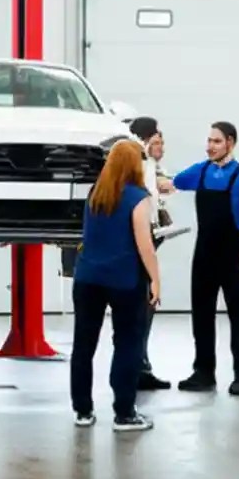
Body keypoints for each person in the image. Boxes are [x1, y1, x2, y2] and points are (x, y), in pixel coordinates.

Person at [161, 121, 239, 396]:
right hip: (205, 253)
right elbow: (169, 183)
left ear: (230, 143)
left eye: (216, 141)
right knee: (201, 314)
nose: (210, 146)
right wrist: (149, 167)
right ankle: (203, 373)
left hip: (234, 254)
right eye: (208, 141)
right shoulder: (201, 171)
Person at [70, 139, 163, 432]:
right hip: (124, 280)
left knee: (84, 345)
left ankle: (82, 411)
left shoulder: (95, 193)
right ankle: (124, 413)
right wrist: (156, 281)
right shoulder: (138, 197)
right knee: (127, 343)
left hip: (87, 279)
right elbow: (144, 245)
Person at [127, 117, 172, 391]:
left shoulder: (149, 166)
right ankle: (137, 369)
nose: (161, 146)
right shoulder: (136, 165)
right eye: (157, 141)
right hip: (138, 244)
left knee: (144, 309)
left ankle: (141, 366)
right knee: (140, 308)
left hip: (149, 238)